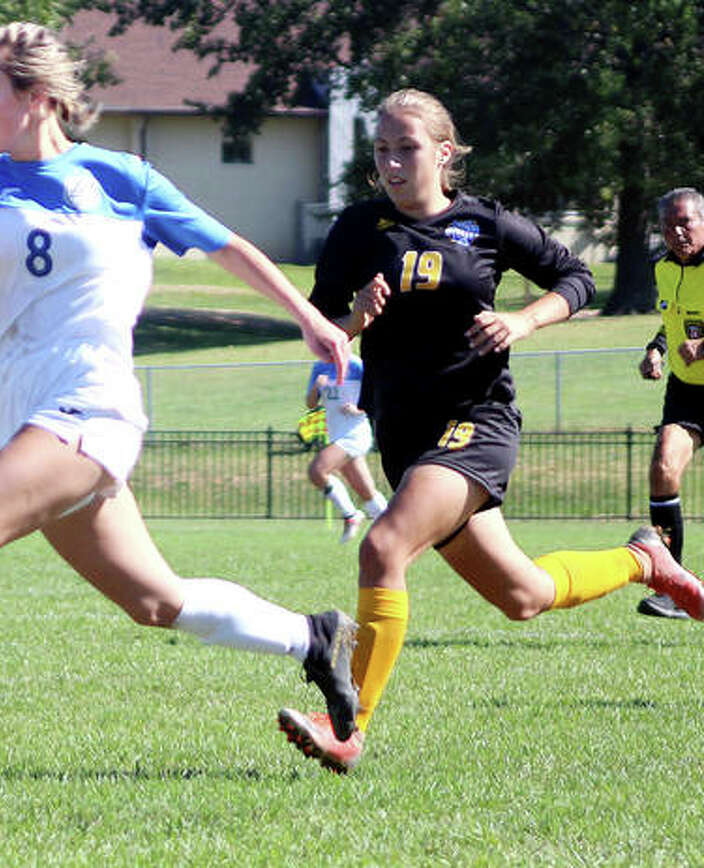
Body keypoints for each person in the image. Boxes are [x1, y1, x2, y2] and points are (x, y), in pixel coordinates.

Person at [0, 21, 361, 810]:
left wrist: (308, 315)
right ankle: (314, 637)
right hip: (30, 424)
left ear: (38, 97)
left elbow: (226, 246)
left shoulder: (120, 178)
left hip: (93, 409)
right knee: (155, 602)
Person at [277, 88, 704, 774]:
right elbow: (319, 330)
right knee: (524, 597)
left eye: (407, 148)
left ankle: (346, 728)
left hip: (477, 423)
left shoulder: (486, 224)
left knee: (383, 546)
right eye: (381, 149)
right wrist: (352, 319)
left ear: (444, 153)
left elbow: (577, 278)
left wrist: (521, 321)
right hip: (406, 439)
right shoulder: (358, 229)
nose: (391, 162)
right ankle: (645, 561)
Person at [635, 187, 704, 619]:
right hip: (687, 392)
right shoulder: (662, 268)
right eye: (668, 226)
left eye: (686, 222)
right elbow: (672, 318)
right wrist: (657, 349)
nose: (677, 232)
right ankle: (674, 589)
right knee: (663, 468)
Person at [305, 354, 389, 542]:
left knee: (317, 471)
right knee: (366, 491)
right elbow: (310, 404)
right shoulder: (320, 367)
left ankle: (351, 516)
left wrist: (358, 409)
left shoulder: (357, 365)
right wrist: (317, 387)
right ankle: (392, 527)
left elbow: (377, 397)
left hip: (355, 434)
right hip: (337, 434)